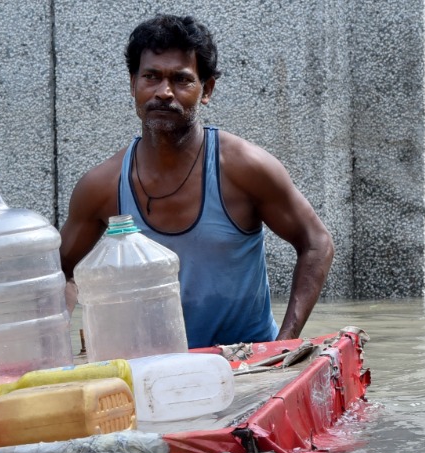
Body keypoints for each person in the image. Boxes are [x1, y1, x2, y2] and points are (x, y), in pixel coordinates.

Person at [59, 14, 334, 346]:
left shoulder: (245, 168)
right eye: (151, 77)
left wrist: (283, 344)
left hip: (247, 363)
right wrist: (53, 344)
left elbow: (317, 242)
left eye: (181, 80)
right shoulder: (102, 186)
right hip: (154, 364)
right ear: (133, 85)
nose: (164, 92)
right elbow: (60, 273)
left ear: (207, 90)